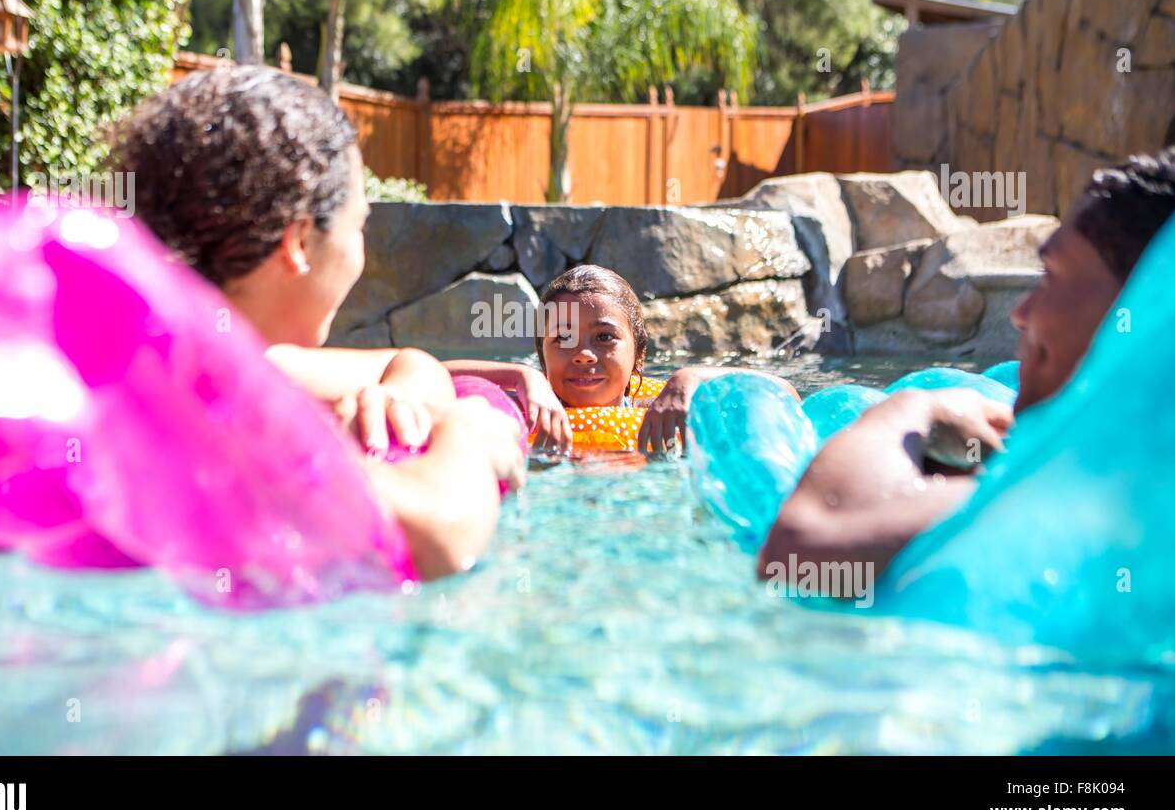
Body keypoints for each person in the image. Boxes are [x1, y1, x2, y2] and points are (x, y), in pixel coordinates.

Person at [109, 65, 523, 579]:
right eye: (359, 224)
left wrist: (403, 399)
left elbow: (407, 361)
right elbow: (440, 537)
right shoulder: (206, 397)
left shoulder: (189, 350)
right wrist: (469, 432)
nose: (360, 251)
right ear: (299, 243)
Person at [760, 149, 1175, 584]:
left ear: (1143, 307)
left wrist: (914, 412)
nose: (1021, 312)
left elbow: (795, 554)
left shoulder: (1077, 495)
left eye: (1050, 276)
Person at [451, 265, 797, 454]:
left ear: (639, 354)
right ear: (542, 354)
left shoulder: (659, 407)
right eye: (562, 339)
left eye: (604, 337)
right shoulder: (523, 410)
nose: (585, 355)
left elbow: (785, 394)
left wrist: (689, 378)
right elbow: (427, 376)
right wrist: (522, 377)